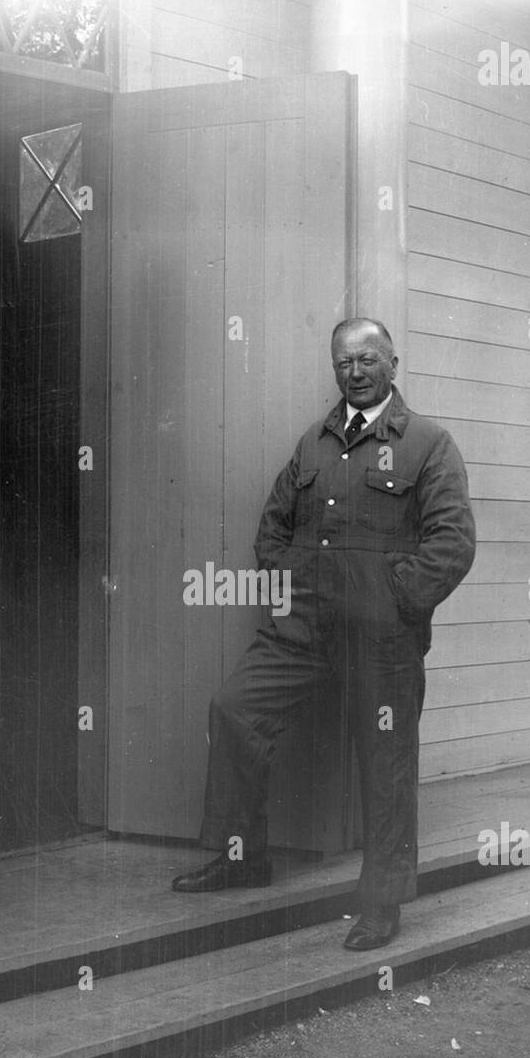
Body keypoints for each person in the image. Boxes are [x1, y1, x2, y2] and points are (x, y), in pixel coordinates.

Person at [171, 318, 476, 950]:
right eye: (343, 363)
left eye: (367, 360)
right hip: (302, 632)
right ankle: (241, 857)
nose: (355, 373)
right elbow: (271, 530)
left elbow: (453, 544)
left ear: (394, 363)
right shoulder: (314, 443)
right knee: (234, 711)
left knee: (386, 761)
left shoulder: (428, 444)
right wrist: (294, 585)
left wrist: (393, 602)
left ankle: (383, 901)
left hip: (381, 642)